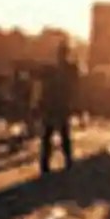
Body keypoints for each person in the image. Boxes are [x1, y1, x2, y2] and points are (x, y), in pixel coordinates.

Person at [40, 42, 79, 174]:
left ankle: (46, 163)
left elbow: (46, 87)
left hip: (55, 105)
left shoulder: (55, 70)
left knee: (51, 134)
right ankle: (66, 161)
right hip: (59, 104)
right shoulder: (67, 69)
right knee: (61, 134)